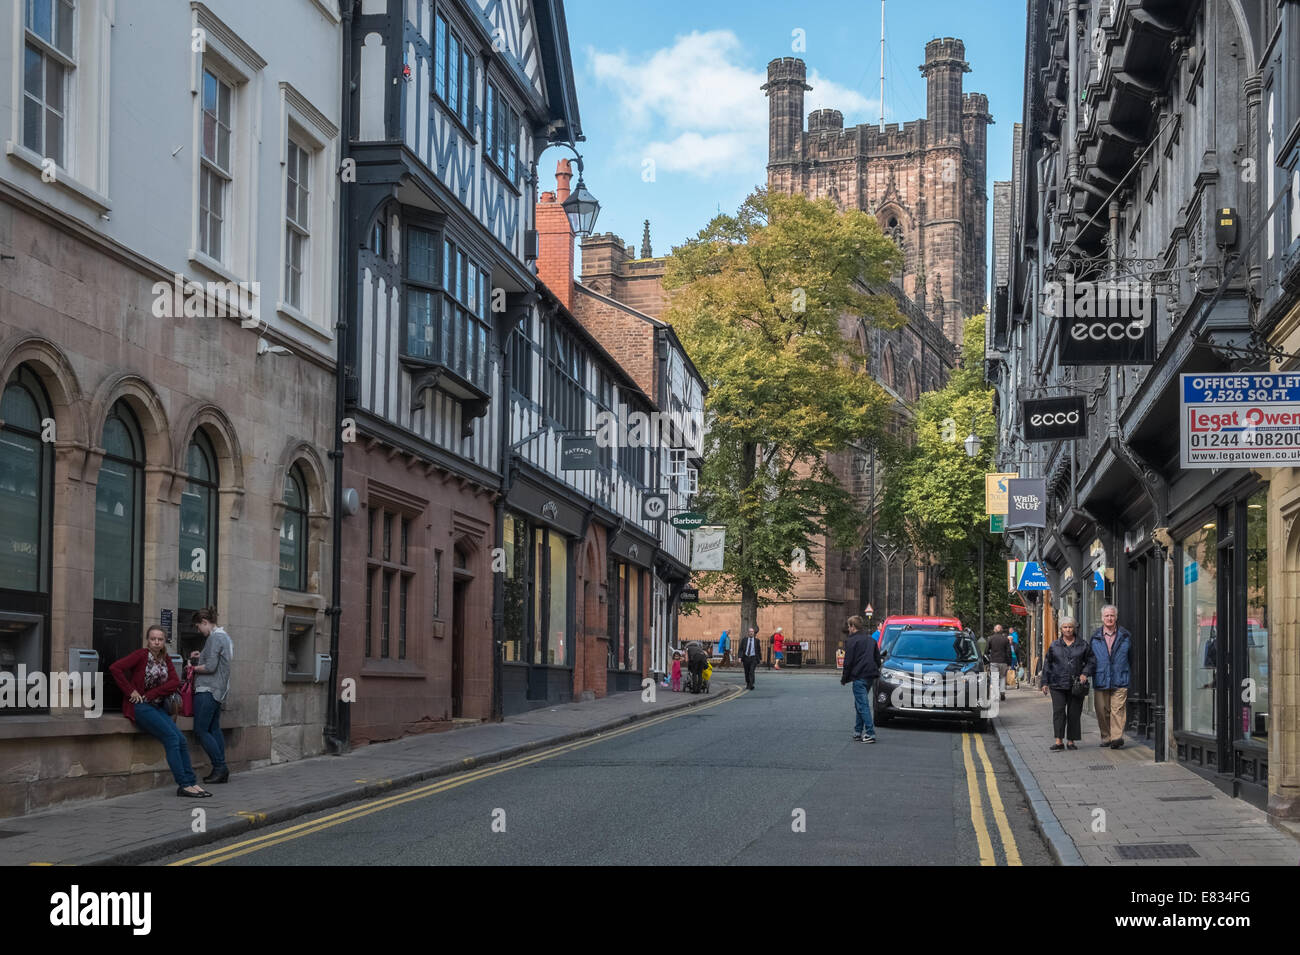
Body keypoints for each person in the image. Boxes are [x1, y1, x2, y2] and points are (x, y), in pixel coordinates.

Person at [109, 626, 211, 798]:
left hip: (155, 705)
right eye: (153, 639)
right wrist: (130, 691)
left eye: (160, 639)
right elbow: (115, 668)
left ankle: (192, 782)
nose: (156, 642)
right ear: (148, 640)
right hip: (139, 707)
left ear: (164, 641)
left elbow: (174, 683)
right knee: (171, 738)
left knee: (181, 739)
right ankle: (184, 785)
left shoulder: (166, 658)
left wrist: (151, 694)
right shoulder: (141, 655)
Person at [188, 607, 233, 784]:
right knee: (214, 729)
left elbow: (211, 667)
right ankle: (220, 769)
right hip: (218, 690)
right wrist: (201, 656)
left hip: (207, 690)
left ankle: (220, 767)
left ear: (205, 622)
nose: (198, 630)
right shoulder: (225, 637)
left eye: (198, 626)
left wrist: (192, 668)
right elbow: (218, 662)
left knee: (201, 730)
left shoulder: (215, 637)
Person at [1040, 618, 1094, 751]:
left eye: (1070, 627)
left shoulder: (1083, 645)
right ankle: (1059, 741)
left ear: (1074, 628)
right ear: (1061, 629)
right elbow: (1047, 664)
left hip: (1076, 684)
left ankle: (1071, 741)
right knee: (1058, 712)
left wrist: (1084, 673)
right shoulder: (1054, 646)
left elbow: (1091, 661)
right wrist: (1044, 682)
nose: (1068, 629)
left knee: (1074, 713)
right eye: (1065, 627)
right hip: (1057, 684)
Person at [1089, 604, 1133, 749]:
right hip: (1101, 678)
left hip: (1120, 677)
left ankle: (1116, 737)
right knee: (1102, 710)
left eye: (1112, 615)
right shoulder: (1095, 637)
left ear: (1116, 617)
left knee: (1117, 709)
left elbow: (1131, 657)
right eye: (1106, 616)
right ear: (1102, 618)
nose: (1109, 618)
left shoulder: (1125, 635)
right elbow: (1090, 659)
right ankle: (1106, 736)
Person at [840, 615, 882, 742]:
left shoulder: (852, 641)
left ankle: (870, 733)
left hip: (859, 675)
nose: (848, 629)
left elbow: (848, 662)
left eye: (849, 626)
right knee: (860, 702)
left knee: (862, 704)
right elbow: (877, 659)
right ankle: (858, 731)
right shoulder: (871, 640)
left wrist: (844, 678)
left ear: (853, 627)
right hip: (870, 676)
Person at [986, 625, 1013, 701]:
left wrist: (989, 658)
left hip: (994, 661)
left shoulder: (990, 639)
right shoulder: (1005, 639)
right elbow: (1009, 652)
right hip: (1003, 661)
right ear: (1002, 630)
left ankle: (996, 695)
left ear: (994, 630)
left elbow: (986, 651)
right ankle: (1002, 692)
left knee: (994, 678)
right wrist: (1009, 663)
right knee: (1002, 677)